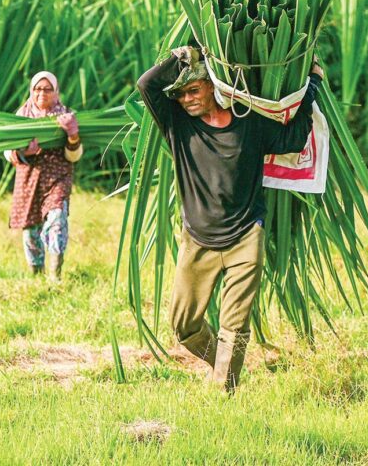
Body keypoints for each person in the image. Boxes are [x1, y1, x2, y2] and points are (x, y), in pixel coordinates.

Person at [136, 46, 324, 392]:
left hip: (246, 236)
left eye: (194, 90)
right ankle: (222, 364)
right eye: (180, 95)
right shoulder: (179, 127)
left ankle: (225, 389)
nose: (187, 99)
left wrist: (311, 84)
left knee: (234, 324)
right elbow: (147, 84)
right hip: (198, 239)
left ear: (214, 87)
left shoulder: (250, 124)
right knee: (183, 325)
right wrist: (185, 56)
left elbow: (294, 139)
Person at [4, 71, 83, 280]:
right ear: (31, 91)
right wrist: (23, 152)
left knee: (57, 220)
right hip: (29, 180)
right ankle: (35, 276)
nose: (42, 93)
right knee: (30, 230)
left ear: (56, 92)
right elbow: (6, 150)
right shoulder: (21, 116)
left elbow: (74, 156)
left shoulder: (67, 115)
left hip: (57, 178)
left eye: (48, 89)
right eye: (38, 89)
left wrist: (73, 135)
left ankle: (54, 275)